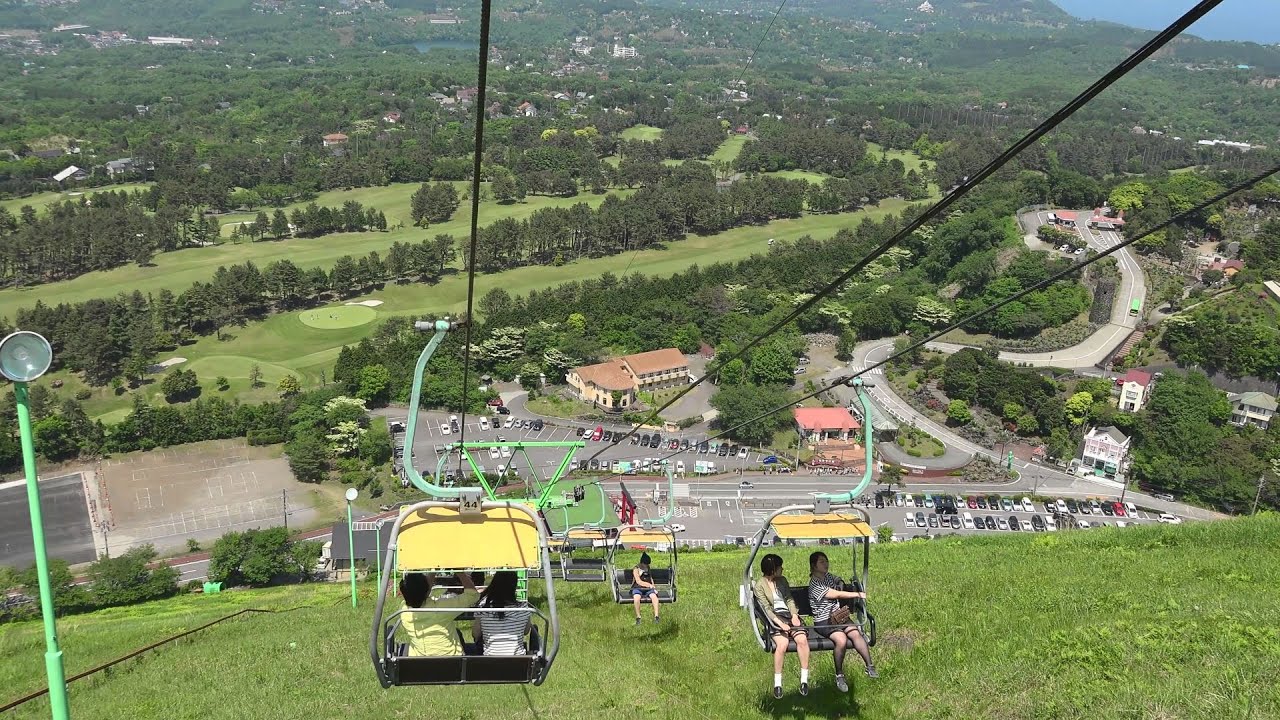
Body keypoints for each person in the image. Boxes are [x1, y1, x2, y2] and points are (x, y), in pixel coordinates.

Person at [808, 551, 877, 691]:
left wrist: (839, 582)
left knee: (855, 633)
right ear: (814, 566)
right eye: (822, 562)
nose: (826, 564)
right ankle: (839, 674)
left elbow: (837, 579)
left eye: (826, 561)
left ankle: (870, 666)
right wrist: (857, 594)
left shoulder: (827, 577)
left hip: (839, 616)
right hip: (824, 621)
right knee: (841, 640)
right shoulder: (815, 585)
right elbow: (835, 594)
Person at [751, 553, 810, 698]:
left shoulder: (782, 581)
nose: (782, 569)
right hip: (775, 618)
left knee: (802, 640)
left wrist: (795, 615)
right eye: (779, 567)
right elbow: (766, 608)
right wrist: (779, 624)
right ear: (772, 569)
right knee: (782, 644)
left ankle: (804, 680)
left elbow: (789, 598)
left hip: (788, 615)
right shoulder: (760, 586)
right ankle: (778, 684)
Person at [397, 571, 478, 657]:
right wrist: (459, 572)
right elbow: (473, 595)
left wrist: (434, 571)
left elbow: (422, 591)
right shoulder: (441, 608)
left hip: (420, 664)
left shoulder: (404, 610)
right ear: (427, 589)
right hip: (452, 662)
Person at [471, 571, 534, 655]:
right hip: (519, 662)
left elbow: (475, 634)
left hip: (490, 661)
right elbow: (526, 631)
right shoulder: (523, 608)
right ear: (514, 586)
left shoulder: (484, 608)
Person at [631, 552, 661, 624]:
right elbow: (638, 581)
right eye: (646, 564)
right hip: (638, 587)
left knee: (654, 597)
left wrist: (653, 587)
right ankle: (638, 617)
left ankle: (656, 617)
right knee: (636, 598)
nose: (646, 566)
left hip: (648, 588)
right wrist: (649, 585)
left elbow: (650, 578)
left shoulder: (648, 568)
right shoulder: (636, 569)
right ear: (642, 563)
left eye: (648, 565)